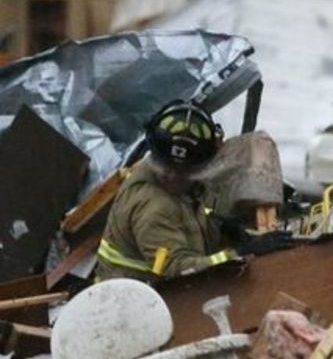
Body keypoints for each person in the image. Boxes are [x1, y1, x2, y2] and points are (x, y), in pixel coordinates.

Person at [96, 100, 293, 282]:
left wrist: (220, 226)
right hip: (137, 300)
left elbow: (188, 214)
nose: (173, 177)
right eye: (166, 167)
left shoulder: (180, 184)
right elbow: (176, 270)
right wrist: (239, 253)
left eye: (184, 171)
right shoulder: (153, 206)